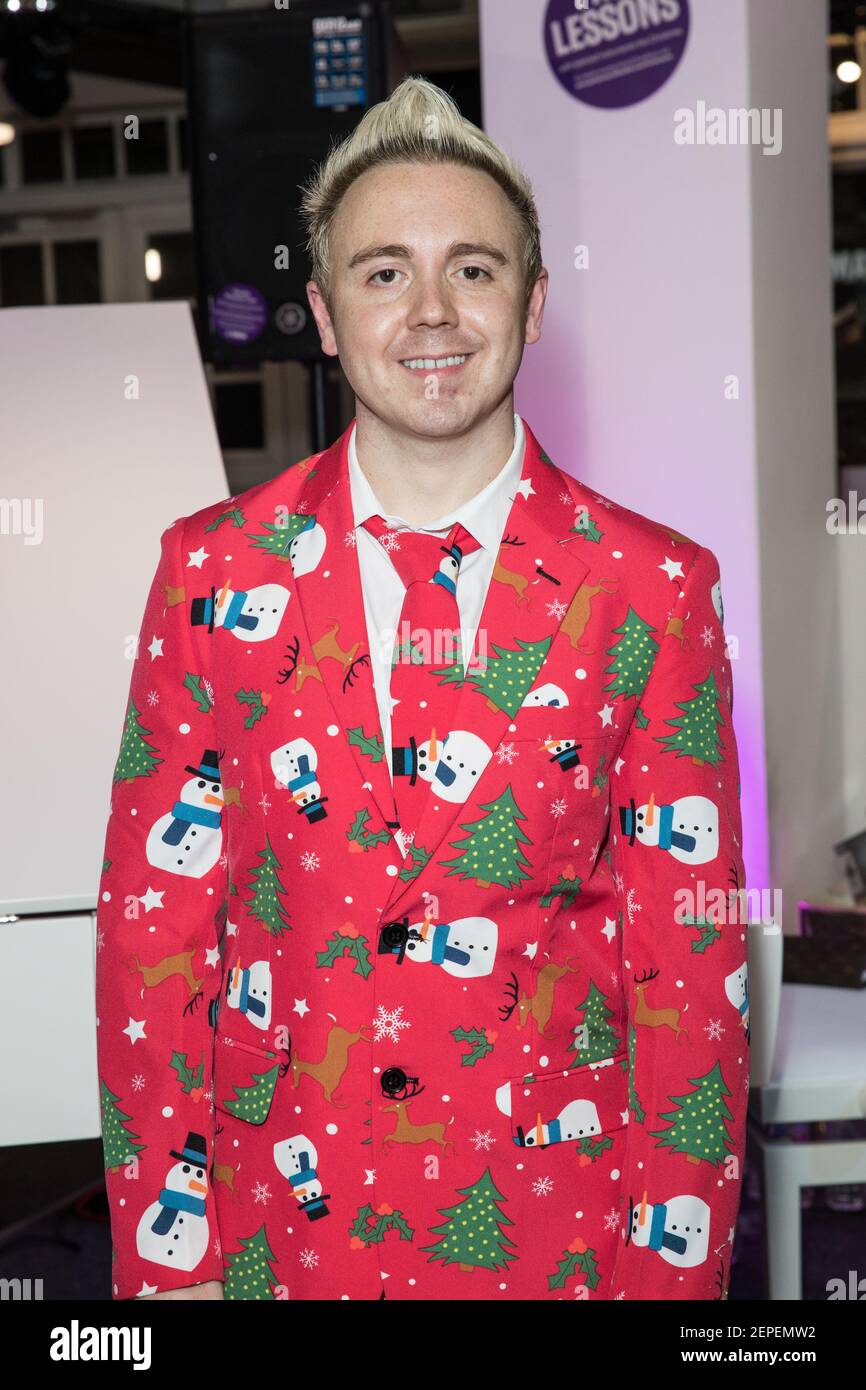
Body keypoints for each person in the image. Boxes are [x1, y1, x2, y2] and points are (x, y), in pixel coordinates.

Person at [95, 76, 749, 1301]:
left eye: (475, 269)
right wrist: (163, 1251)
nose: (432, 312)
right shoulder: (211, 570)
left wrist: (673, 1284)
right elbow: (153, 935)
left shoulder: (653, 588)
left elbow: (687, 971)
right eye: (384, 272)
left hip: (555, 1237)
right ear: (325, 315)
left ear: (534, 302)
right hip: (267, 1234)